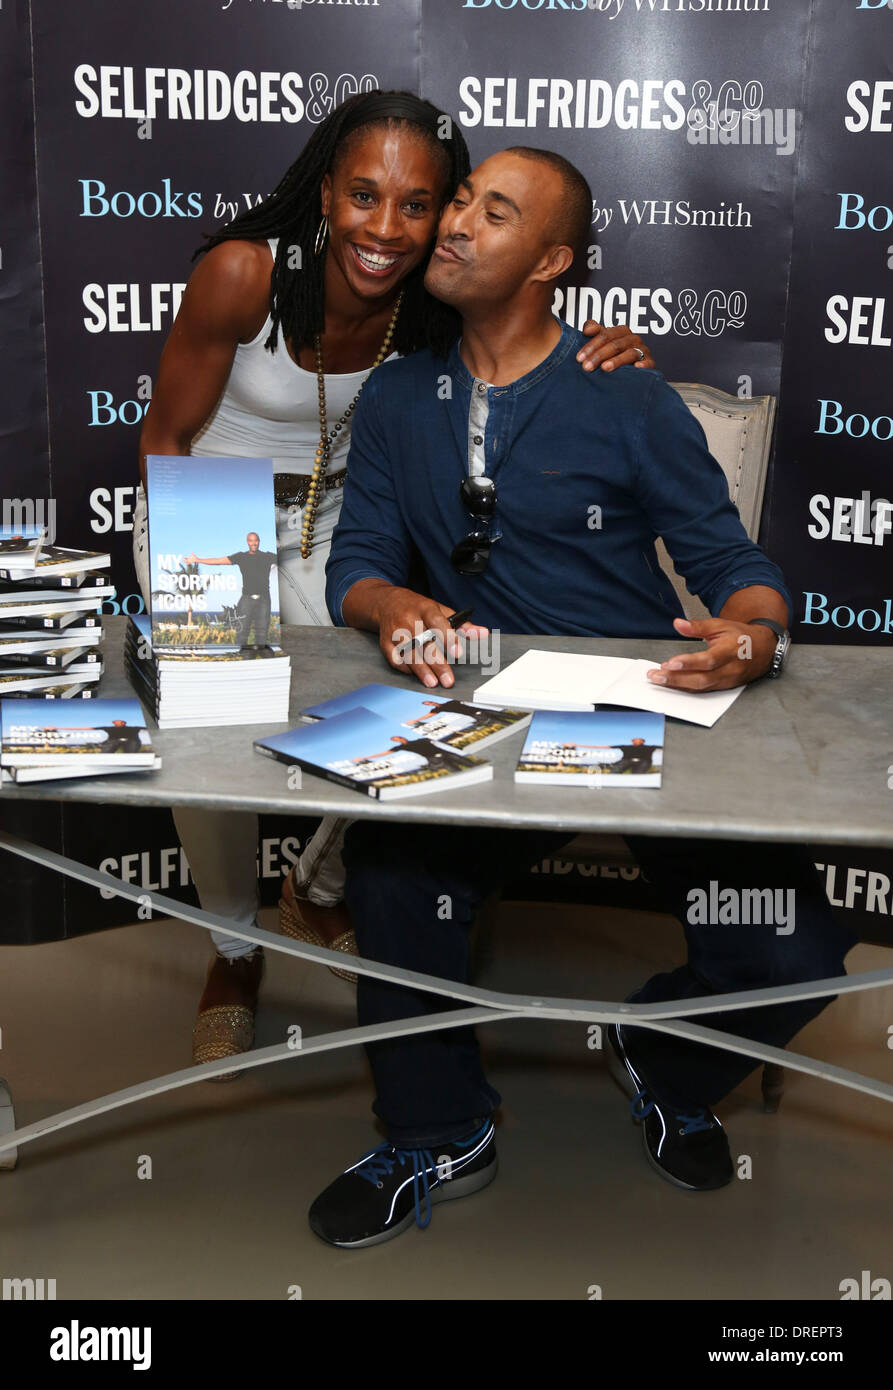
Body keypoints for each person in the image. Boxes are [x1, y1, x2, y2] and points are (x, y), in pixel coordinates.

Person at [308, 146, 857, 1247]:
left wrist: (748, 636)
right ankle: (435, 1129)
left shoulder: (626, 394)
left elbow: (734, 565)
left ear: (550, 261)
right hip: (486, 713)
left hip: (638, 709)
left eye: (490, 212)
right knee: (395, 873)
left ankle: (661, 1052)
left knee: (789, 942)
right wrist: (393, 606)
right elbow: (352, 565)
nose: (452, 223)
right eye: (456, 200)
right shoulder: (399, 396)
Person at [132, 90, 655, 1072]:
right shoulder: (243, 273)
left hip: (339, 526)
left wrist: (607, 346)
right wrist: (201, 580)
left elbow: (528, 332)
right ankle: (234, 953)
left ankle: (320, 882)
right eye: (363, 195)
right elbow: (167, 433)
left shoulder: (436, 297)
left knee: (397, 704)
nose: (385, 228)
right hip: (212, 505)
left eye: (416, 205)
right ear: (325, 189)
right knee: (209, 738)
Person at [185, 531, 277, 647]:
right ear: (247, 542)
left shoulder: (267, 556)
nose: (253, 543)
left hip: (264, 599)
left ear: (259, 542)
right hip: (246, 599)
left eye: (256, 540)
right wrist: (198, 560)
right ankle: (240, 658)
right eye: (251, 540)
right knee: (242, 633)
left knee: (262, 633)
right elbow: (219, 561)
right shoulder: (241, 557)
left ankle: (260, 659)